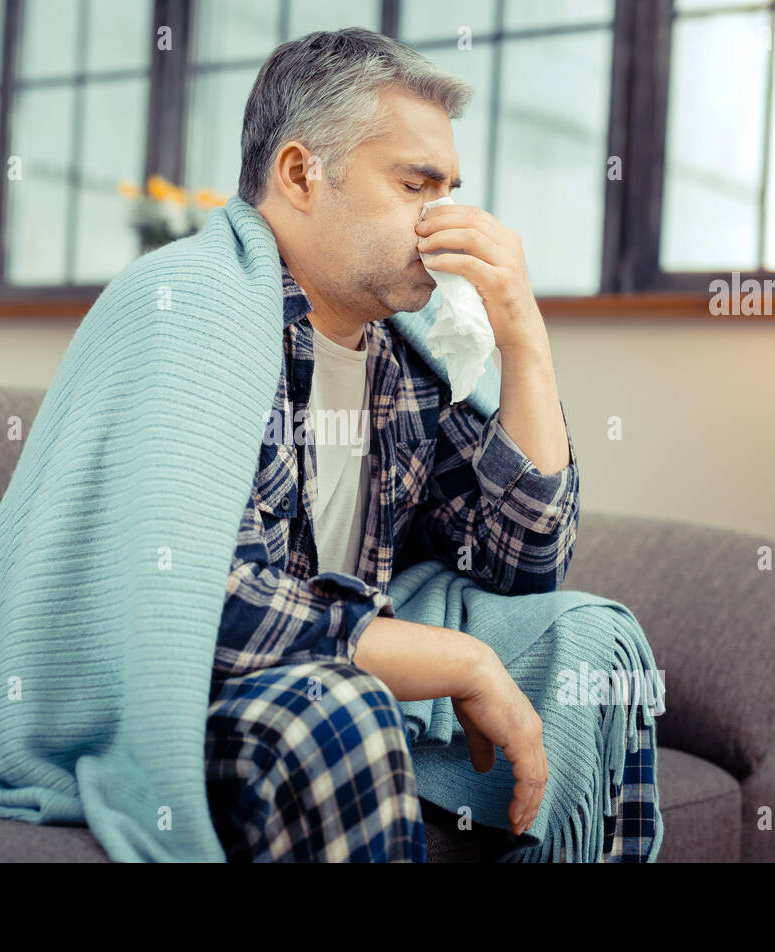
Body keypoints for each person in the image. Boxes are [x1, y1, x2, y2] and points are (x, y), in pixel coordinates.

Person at [204, 27, 658, 862]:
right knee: (340, 708)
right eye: (417, 186)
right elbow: (207, 606)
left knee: (593, 645)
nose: (443, 219)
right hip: (203, 698)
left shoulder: (403, 357)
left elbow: (523, 564)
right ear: (301, 174)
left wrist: (523, 334)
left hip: (331, 674)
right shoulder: (196, 317)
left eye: (449, 189)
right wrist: (459, 662)